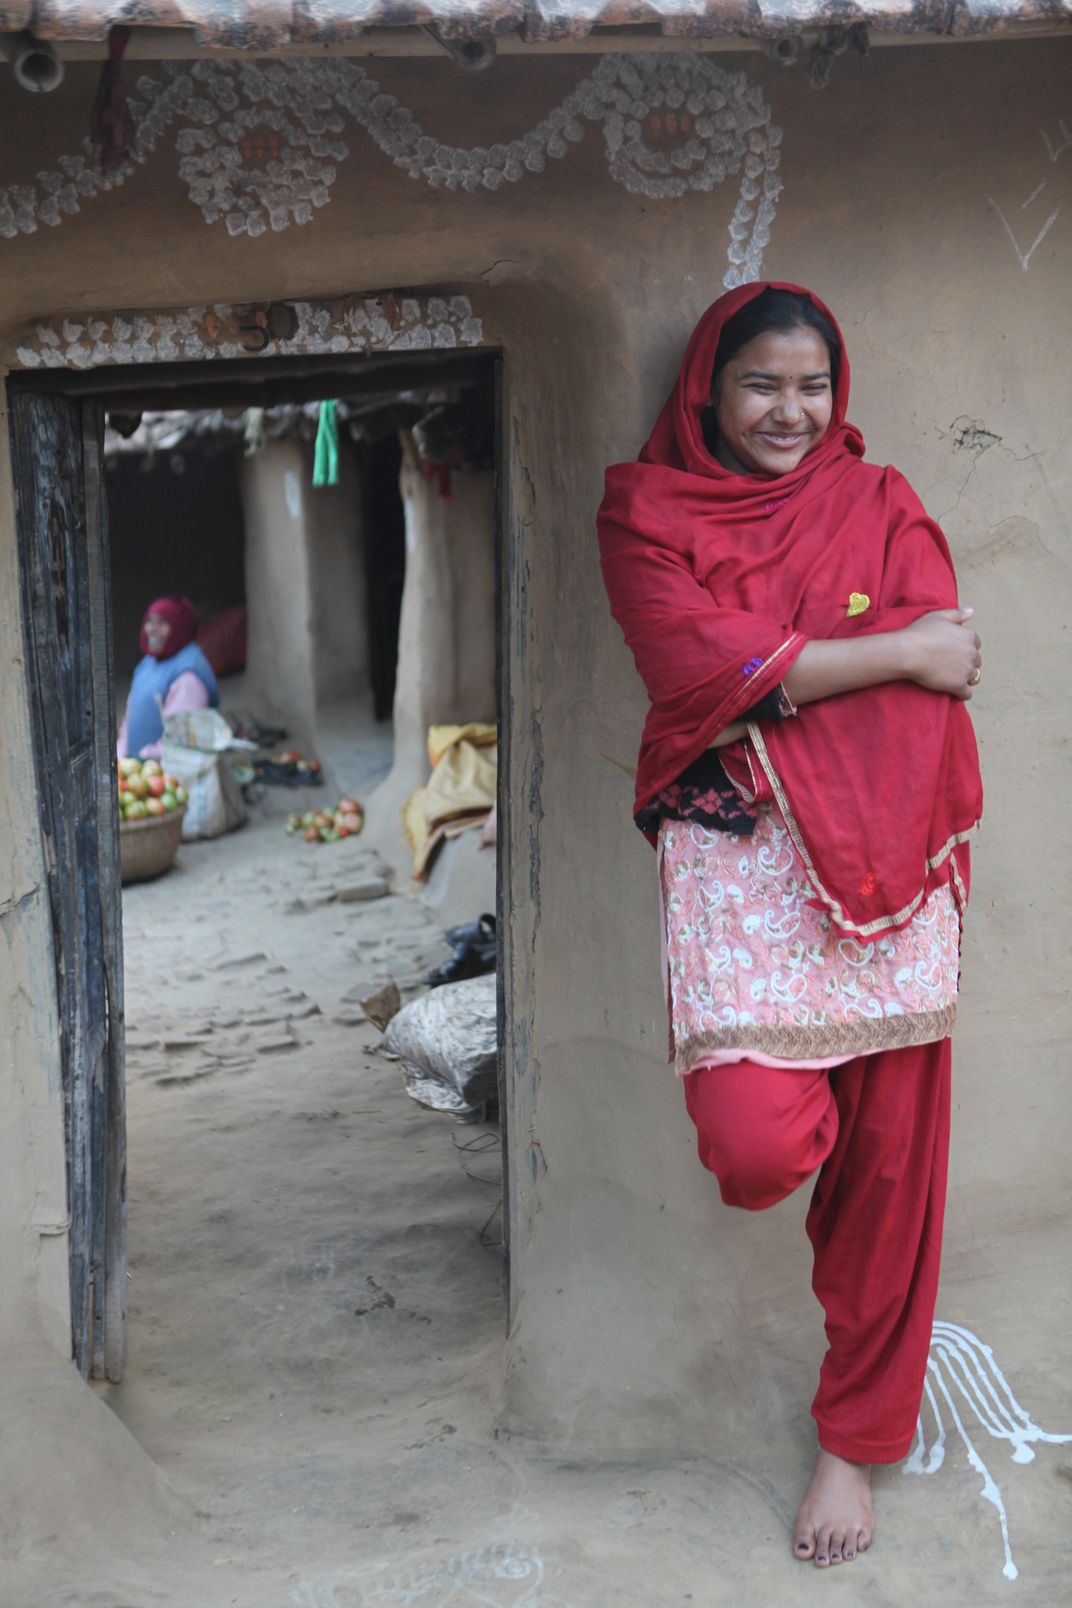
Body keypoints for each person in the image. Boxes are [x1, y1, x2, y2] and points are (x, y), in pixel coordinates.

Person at [597, 283, 983, 1570]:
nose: (790, 411)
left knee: (889, 1173)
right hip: (742, 865)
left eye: (812, 386)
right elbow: (691, 669)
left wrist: (785, 670)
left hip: (891, 857)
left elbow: (949, 654)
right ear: (709, 383)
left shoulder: (879, 502)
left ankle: (851, 1443)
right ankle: (828, 1211)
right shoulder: (644, 512)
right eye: (762, 383)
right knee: (758, 1143)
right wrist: (886, 653)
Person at [117, 594, 219, 760]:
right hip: (140, 772)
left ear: (181, 628)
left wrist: (140, 760)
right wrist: (120, 755)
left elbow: (181, 741)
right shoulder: (148, 663)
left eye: (162, 623)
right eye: (149, 621)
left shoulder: (189, 675)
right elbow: (130, 717)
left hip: (172, 778)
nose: (151, 629)